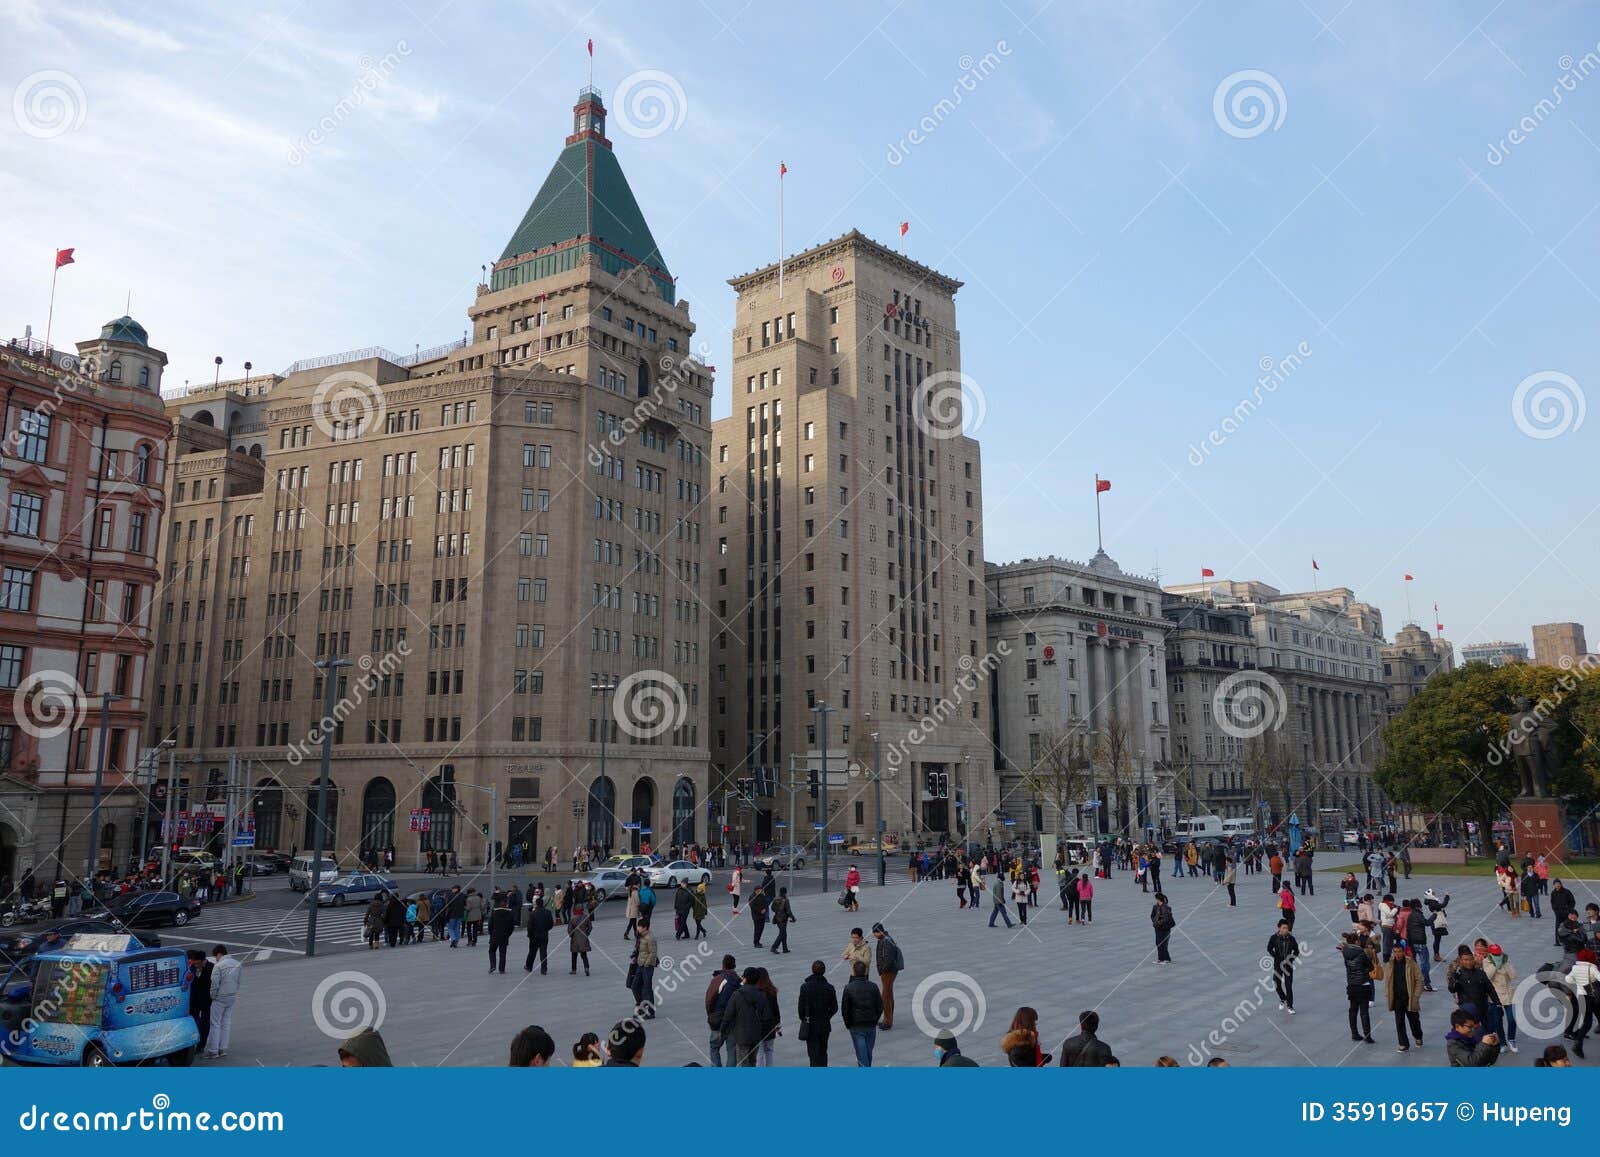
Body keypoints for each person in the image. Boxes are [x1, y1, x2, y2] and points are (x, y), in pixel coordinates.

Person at [795, 959, 837, 1067]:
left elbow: (801, 1008)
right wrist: (827, 1016)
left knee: (813, 1053)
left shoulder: (805, 987)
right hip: (824, 1025)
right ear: (824, 971)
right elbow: (834, 1007)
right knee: (823, 1051)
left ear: (812, 970)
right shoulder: (829, 987)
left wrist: (804, 1018)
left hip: (811, 1025)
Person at [841, 960, 883, 1066]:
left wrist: (848, 1024)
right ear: (865, 971)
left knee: (861, 1053)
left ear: (854, 972)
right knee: (868, 1051)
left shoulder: (849, 988)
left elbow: (845, 1009)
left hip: (856, 1025)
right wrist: (875, 1019)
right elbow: (880, 1006)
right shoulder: (873, 986)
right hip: (870, 1023)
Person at [1384, 941, 1424, 1053]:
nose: (1397, 954)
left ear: (1403, 951)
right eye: (1395, 952)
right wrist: (1388, 994)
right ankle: (1403, 1044)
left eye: (1399, 951)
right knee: (1399, 1022)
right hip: (1397, 999)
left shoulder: (1411, 963)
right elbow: (1387, 980)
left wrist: (1416, 996)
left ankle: (1418, 1036)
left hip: (1410, 998)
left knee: (1414, 1021)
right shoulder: (1390, 964)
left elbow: (1419, 980)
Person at [725, 967, 768, 1067]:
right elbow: (765, 1015)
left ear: (745, 979)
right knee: (752, 1062)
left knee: (742, 1063)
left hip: (742, 1036)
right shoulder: (761, 995)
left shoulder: (737, 994)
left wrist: (723, 1029)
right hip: (756, 1035)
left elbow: (728, 1014)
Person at [205, 944, 240, 1060]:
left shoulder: (218, 966)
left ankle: (213, 1051)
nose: (216, 959)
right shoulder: (237, 964)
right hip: (232, 996)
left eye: (216, 956)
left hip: (220, 998)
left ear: (219, 954)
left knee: (215, 1024)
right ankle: (223, 1049)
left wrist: (213, 996)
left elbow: (214, 984)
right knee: (226, 1023)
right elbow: (238, 981)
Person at [1481, 943, 1518, 1053]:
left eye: (1498, 954)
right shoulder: (1486, 961)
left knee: (1512, 1019)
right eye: (1495, 954)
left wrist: (1505, 964)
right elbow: (1487, 977)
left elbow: (1513, 975)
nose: (1497, 956)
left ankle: (1511, 1039)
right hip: (1495, 996)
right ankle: (1502, 1042)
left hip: (1508, 995)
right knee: (1497, 1021)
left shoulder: (1506, 960)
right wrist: (1495, 965)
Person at [1341, 930, 1377, 1043]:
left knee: (1353, 1010)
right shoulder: (1361, 953)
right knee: (1364, 1012)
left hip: (1352, 985)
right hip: (1363, 985)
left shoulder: (1345, 953)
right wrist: (1364, 971)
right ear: (1356, 941)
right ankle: (1367, 1036)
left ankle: (1354, 1033)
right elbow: (1371, 967)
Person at [705, 954, 740, 1066]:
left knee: (714, 1047)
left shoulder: (718, 979)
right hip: (733, 1021)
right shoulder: (738, 981)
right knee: (732, 1050)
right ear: (734, 966)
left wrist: (711, 1015)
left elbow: (709, 1000)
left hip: (719, 1019)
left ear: (723, 965)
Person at [1567, 947, 1600, 1058]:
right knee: (1590, 1021)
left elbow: (1568, 979)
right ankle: (1578, 1042)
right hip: (1593, 996)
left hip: (1581, 997)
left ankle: (1578, 1043)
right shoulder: (1592, 968)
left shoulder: (1575, 968)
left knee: (1587, 1020)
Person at [871, 923, 903, 1030]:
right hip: (888, 971)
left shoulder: (886, 941)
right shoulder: (884, 939)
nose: (873, 935)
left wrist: (882, 970)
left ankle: (888, 1022)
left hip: (888, 972)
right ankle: (887, 1019)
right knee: (889, 994)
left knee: (885, 996)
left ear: (878, 932)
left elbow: (888, 959)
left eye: (874, 933)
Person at [1267, 919, 1299, 1013]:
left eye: (1287, 928)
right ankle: (1283, 998)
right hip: (1278, 965)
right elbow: (1269, 948)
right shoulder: (1274, 938)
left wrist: (1291, 959)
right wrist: (1276, 957)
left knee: (1288, 986)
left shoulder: (1291, 939)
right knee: (1277, 984)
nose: (1286, 930)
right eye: (1284, 928)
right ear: (1279, 928)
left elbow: (1296, 951)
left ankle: (1290, 1006)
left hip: (1288, 966)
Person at [185, 949, 213, 1052]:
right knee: (194, 1021)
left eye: (197, 963)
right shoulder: (192, 968)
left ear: (203, 961)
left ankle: (201, 1045)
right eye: (194, 963)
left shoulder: (212, 968)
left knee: (205, 1022)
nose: (196, 965)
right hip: (194, 1000)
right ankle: (194, 1042)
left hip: (207, 1000)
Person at [631, 919, 659, 1017]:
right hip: (640, 964)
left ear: (645, 928)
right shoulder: (641, 936)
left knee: (647, 988)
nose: (637, 928)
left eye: (639, 927)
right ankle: (641, 1006)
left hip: (647, 966)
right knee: (634, 986)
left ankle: (651, 1012)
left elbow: (653, 953)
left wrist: (646, 964)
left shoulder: (650, 938)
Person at [755, 967, 781, 1066]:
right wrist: (778, 1024)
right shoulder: (772, 991)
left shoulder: (754, 992)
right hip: (770, 1025)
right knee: (769, 1050)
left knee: (759, 1053)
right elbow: (776, 1010)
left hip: (758, 1026)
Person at [486, 893, 515, 974]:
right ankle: (501, 969)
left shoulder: (494, 913)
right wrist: (508, 934)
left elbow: (490, 925)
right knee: (503, 953)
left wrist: (491, 933)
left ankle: (493, 966)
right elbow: (511, 927)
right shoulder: (509, 913)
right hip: (504, 936)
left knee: (492, 951)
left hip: (494, 935)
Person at [567, 901, 592, 975]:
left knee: (574, 955)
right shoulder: (586, 917)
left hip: (575, 939)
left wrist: (571, 935)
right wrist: (587, 933)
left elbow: (569, 930)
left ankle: (574, 970)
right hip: (583, 938)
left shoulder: (573, 918)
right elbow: (590, 927)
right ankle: (586, 968)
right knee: (584, 955)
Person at [1150, 893, 1174, 962]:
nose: (1156, 900)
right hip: (1157, 928)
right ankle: (1160, 958)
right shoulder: (1155, 907)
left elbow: (1166, 919)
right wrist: (1155, 921)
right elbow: (1152, 915)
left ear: (1158, 899)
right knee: (1158, 943)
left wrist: (1158, 922)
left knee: (1164, 943)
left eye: (1156, 899)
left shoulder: (1167, 908)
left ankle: (1167, 959)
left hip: (1165, 928)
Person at [771, 886, 795, 954]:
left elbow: (772, 908)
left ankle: (785, 948)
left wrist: (777, 911)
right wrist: (793, 918)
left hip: (777, 918)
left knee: (783, 933)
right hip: (783, 919)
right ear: (785, 892)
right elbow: (788, 911)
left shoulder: (775, 898)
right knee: (782, 934)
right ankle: (774, 947)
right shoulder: (786, 900)